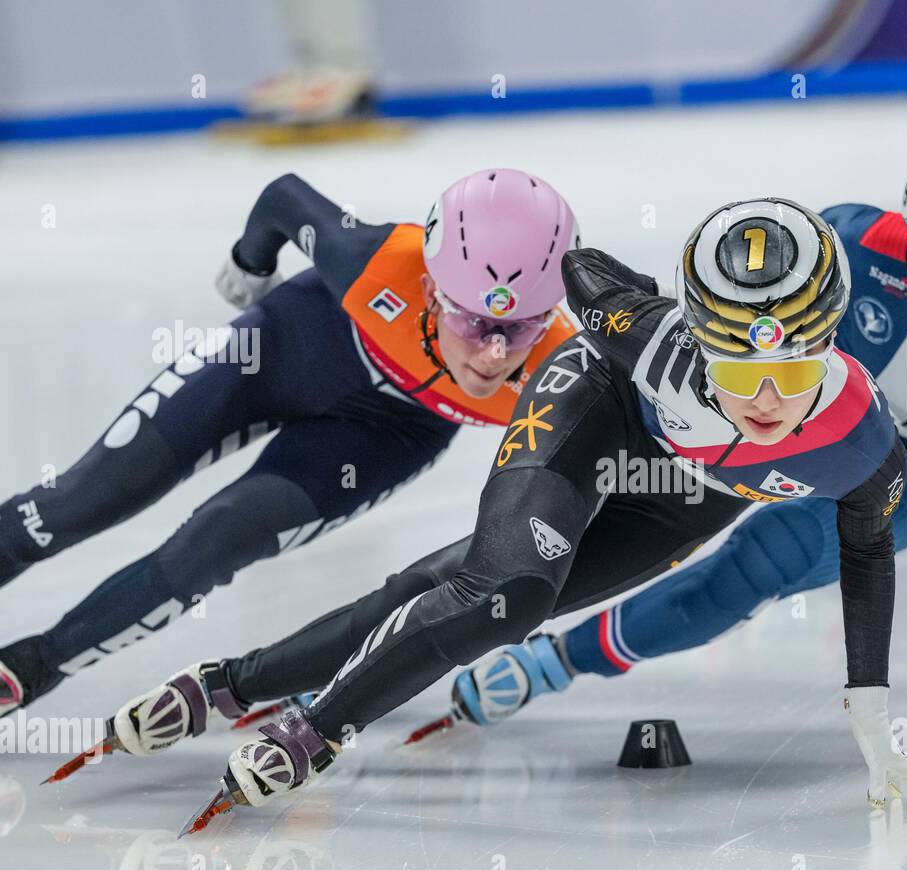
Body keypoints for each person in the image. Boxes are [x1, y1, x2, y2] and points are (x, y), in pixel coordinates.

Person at [68, 196, 907, 815]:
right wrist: (626, 325)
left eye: (793, 371)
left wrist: (872, 713)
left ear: (831, 348)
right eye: (736, 369)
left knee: (465, 594)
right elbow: (581, 271)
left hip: (687, 498)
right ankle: (317, 729)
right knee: (509, 593)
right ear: (696, 337)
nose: (764, 400)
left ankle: (228, 684)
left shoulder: (863, 446)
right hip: (594, 412)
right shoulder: (649, 340)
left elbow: (868, 556)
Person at [446, 132, 907, 729]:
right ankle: (455, 596)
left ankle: (556, 662)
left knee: (763, 564)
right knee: (607, 503)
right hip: (792, 415)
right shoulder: (850, 248)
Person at [0, 168, 578, 714]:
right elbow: (283, 197)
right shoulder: (373, 260)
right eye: (473, 321)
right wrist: (248, 264)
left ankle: (30, 668)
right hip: (287, 349)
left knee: (219, 538)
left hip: (386, 434)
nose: (493, 354)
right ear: (429, 289)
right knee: (74, 503)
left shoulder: (563, 370)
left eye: (521, 327)